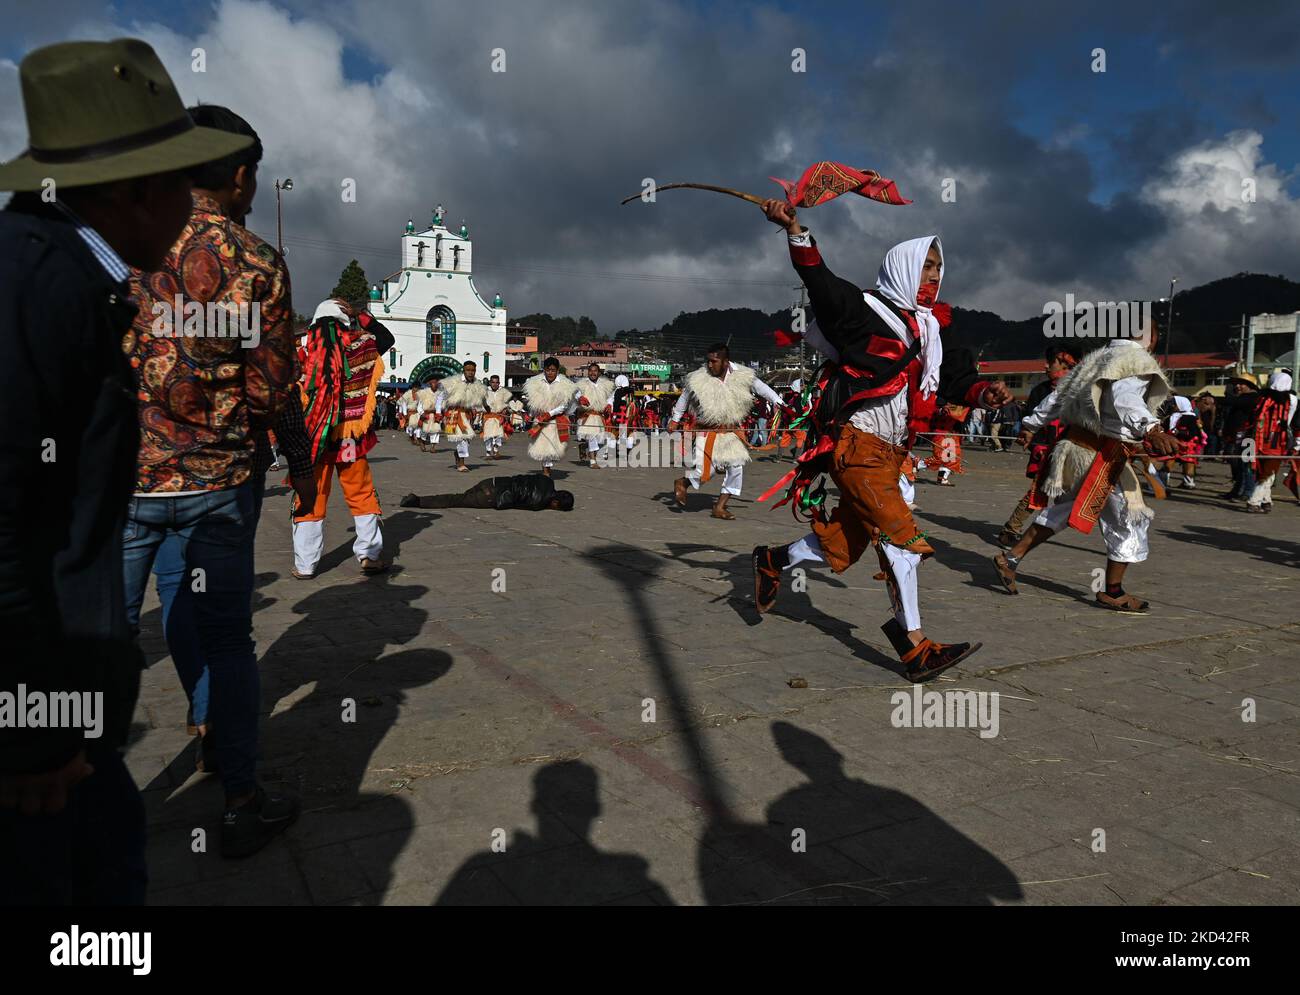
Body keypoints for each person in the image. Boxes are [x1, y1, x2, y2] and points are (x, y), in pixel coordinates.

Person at [1, 38, 268, 898]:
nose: (192, 204)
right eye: (177, 183)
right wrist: (36, 731)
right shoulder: (41, 288)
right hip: (42, 730)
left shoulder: (73, 270)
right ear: (132, 190)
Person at [751, 198, 1010, 681]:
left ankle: (773, 559)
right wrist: (795, 231)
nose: (933, 277)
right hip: (858, 447)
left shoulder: (934, 331)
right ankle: (913, 644)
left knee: (843, 545)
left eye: (939, 268)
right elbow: (822, 286)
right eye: (926, 267)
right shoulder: (864, 312)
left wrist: (983, 391)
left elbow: (956, 380)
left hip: (895, 455)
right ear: (904, 267)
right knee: (902, 541)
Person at [141, 104, 315, 774]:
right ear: (241, 177)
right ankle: (240, 793)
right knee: (228, 630)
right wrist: (299, 461)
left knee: (169, 595)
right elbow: (274, 389)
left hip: (139, 474)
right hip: (221, 476)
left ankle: (197, 709)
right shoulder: (256, 260)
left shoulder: (130, 247)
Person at [992, 320, 1181, 613]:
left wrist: (1031, 424)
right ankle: (1112, 592)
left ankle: (1011, 558)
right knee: (1129, 520)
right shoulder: (1135, 360)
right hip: (1102, 457)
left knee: (1062, 510)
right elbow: (1125, 396)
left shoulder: (1095, 359)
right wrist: (1152, 428)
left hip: (1075, 451)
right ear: (1150, 338)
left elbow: (1059, 395)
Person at [292, 299, 393, 579]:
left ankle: (305, 564)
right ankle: (369, 556)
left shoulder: (303, 350)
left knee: (310, 497)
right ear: (345, 322)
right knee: (361, 494)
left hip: (314, 437)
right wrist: (361, 316)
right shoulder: (361, 345)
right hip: (350, 436)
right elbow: (387, 338)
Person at [668, 343, 786, 520]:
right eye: (708, 361)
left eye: (714, 361)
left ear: (725, 362)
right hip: (707, 432)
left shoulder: (743, 375)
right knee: (706, 471)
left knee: (736, 467)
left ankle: (720, 506)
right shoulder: (699, 378)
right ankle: (683, 483)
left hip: (731, 432)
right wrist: (675, 419)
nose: (709, 365)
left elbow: (762, 388)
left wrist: (781, 404)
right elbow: (685, 397)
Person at [996, 344, 1080, 548]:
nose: (1046, 366)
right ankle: (1011, 532)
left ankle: (1024, 531)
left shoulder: (1081, 391)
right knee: (1039, 491)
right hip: (1046, 449)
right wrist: (1039, 446)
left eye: (1051, 363)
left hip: (1072, 450)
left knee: (1067, 496)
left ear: (1068, 366)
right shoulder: (1040, 391)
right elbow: (1032, 420)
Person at [1244, 372, 1297, 513]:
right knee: (1268, 472)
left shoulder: (1261, 397)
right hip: (1277, 440)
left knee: (1263, 471)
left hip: (1256, 439)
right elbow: (1289, 421)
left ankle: (1266, 500)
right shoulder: (1291, 399)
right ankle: (1253, 501)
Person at [399, 474, 575, 511]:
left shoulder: (547, 480)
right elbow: (516, 502)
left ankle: (418, 500)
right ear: (556, 503)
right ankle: (417, 501)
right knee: (455, 500)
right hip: (491, 496)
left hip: (492, 481)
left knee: (461, 496)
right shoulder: (538, 504)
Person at [524, 358, 577, 476]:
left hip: (555, 421)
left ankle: (547, 469)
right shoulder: (535, 383)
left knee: (554, 448)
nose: (550, 373)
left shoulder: (565, 385)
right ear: (544, 370)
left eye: (553, 370)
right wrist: (530, 415)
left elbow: (564, 405)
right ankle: (546, 472)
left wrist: (549, 414)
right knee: (543, 447)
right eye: (548, 370)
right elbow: (533, 403)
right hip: (541, 420)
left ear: (557, 370)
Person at [436, 360, 489, 471]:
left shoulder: (478, 385)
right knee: (463, 439)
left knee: (467, 439)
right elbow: (441, 397)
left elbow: (483, 397)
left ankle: (458, 454)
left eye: (473, 370)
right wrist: (438, 412)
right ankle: (461, 464)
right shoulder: (453, 382)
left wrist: (486, 407)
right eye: (468, 370)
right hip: (455, 414)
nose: (470, 373)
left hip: (468, 415)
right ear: (463, 370)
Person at [1219, 377, 1259, 500]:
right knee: (1239, 466)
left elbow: (1233, 402)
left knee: (1247, 466)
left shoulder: (1253, 398)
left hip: (1250, 437)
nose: (1237, 386)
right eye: (1237, 384)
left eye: (1241, 384)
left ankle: (1248, 492)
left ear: (1250, 386)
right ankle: (1237, 490)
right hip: (1239, 437)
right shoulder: (1241, 398)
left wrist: (1217, 399)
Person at [573, 362, 615, 468]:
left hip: (599, 416)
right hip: (588, 415)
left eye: (595, 371)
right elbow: (575, 392)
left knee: (599, 439)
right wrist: (580, 398)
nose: (593, 373)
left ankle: (584, 446)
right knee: (592, 436)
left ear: (599, 372)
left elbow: (610, 396)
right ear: (588, 372)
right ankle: (593, 461)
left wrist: (609, 404)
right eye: (590, 371)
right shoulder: (582, 384)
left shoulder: (605, 385)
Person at [481, 374, 513, 460]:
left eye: (496, 382)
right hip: (488, 417)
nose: (495, 384)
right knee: (488, 436)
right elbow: (481, 404)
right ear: (490, 382)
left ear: (499, 383)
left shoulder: (504, 392)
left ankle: (496, 451)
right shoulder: (485, 391)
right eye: (493, 382)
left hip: (499, 417)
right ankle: (488, 453)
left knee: (498, 435)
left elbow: (507, 405)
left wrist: (505, 410)